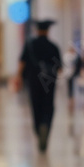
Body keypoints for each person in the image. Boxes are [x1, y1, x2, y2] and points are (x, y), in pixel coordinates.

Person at [19, 20, 62, 153]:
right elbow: (59, 68)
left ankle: (38, 129)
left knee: (36, 105)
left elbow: (22, 63)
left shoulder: (30, 45)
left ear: (37, 30)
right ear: (48, 31)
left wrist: (18, 78)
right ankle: (45, 125)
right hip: (49, 82)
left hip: (33, 81)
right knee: (48, 106)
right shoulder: (53, 46)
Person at [65, 44, 83, 114]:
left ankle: (73, 99)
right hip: (69, 74)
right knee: (70, 87)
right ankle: (70, 99)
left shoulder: (76, 57)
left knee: (73, 87)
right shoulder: (67, 57)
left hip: (73, 75)